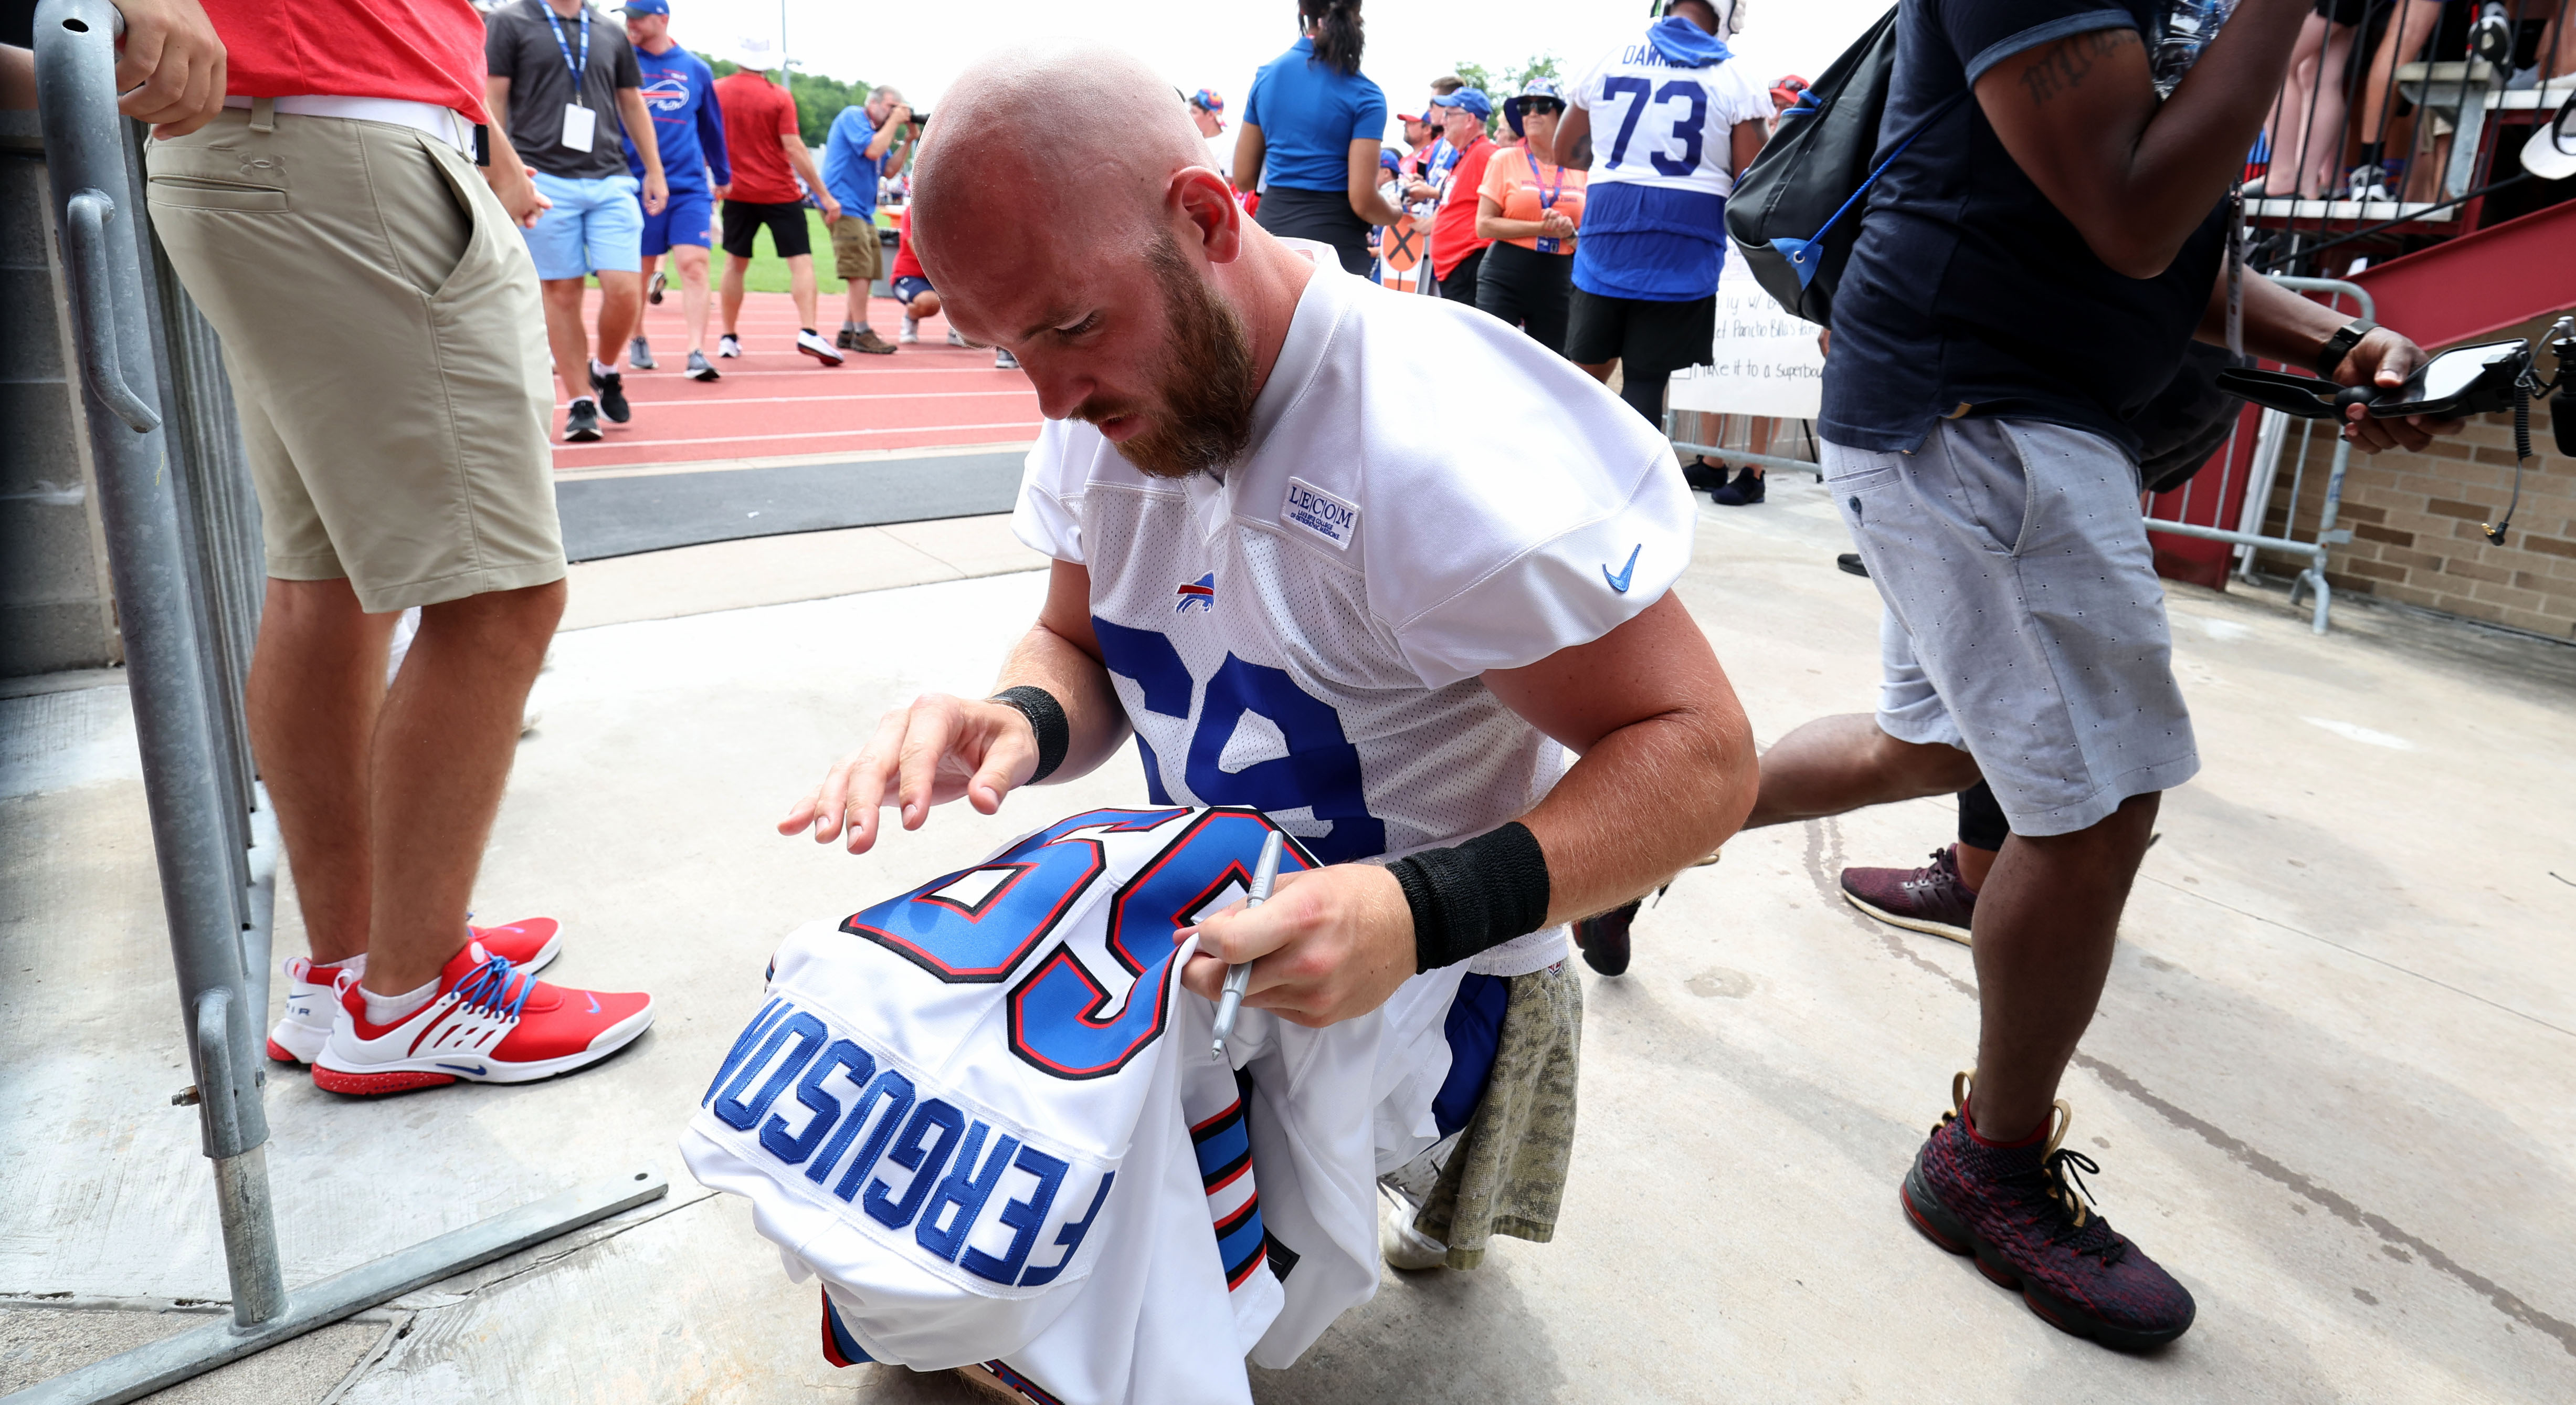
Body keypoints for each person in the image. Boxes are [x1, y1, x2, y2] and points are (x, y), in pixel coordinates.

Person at [780, 37, 1757, 1316]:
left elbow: (1703, 754)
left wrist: (1417, 911)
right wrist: (1014, 715)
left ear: (1205, 217)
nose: (1054, 397)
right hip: (1213, 911)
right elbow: (1081, 642)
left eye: (1071, 325)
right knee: (908, 1137)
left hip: (1429, 966)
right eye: (1005, 347)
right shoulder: (1106, 399)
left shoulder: (1429, 437)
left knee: (1086, 1290)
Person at [1751, 0, 2467, 1349]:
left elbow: (2158, 246)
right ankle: (1987, 1166)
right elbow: (2130, 216)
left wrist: (2332, 340)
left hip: (1969, 416)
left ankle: (1637, 835)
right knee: (2090, 813)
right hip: (1980, 421)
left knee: (1936, 752)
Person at [133, 0, 653, 1091]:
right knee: (502, 597)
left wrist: (479, 130)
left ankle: (358, 969)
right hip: (340, 144)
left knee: (326, 583)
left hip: (291, 137)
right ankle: (419, 998)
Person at [485, 0, 668, 443]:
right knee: (562, 291)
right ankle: (580, 401)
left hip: (610, 177)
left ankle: (604, 369)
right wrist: (501, 171)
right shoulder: (510, 22)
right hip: (544, 177)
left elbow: (631, 103)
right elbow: (493, 98)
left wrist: (655, 170)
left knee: (625, 289)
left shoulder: (608, 29)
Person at [1236, 0, 1403, 274]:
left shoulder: (1266, 76)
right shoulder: (1366, 94)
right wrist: (1394, 211)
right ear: (1356, 13)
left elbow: (1243, 179)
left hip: (1273, 241)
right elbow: (1363, 202)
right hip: (1335, 250)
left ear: (1303, 10)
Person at [713, 46, 845, 365]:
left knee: (735, 262)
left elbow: (707, 136)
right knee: (801, 262)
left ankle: (728, 337)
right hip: (779, 192)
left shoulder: (717, 91)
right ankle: (808, 331)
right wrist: (823, 196)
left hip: (736, 191)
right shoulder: (779, 96)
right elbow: (795, 148)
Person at [618, 0, 727, 382]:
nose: (630, 23)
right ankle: (637, 336)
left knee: (694, 265)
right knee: (641, 270)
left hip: (689, 187)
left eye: (637, 17)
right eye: (626, 17)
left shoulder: (695, 69)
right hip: (635, 183)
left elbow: (712, 127)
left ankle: (696, 351)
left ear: (662, 19)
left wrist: (724, 173)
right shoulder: (621, 60)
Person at [1474, 79, 1585, 353]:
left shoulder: (1581, 168)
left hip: (1559, 276)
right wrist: (1541, 228)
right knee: (1494, 362)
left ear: (1561, 115)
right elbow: (1484, 226)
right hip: (1505, 273)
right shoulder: (1503, 159)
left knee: (1551, 371)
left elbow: (1589, 243)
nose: (1532, 113)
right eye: (1525, 107)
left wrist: (1568, 233)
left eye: (1543, 106)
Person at [821, 85, 915, 354]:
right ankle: (862, 332)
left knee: (867, 268)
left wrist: (908, 140)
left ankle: (848, 330)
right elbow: (873, 152)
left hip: (861, 208)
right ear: (872, 104)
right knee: (859, 268)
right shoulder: (853, 117)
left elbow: (888, 170)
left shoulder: (875, 132)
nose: (894, 112)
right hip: (841, 203)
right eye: (890, 106)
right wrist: (895, 122)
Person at [1403, 88, 1495, 303]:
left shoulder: (1487, 154)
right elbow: (1458, 204)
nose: (1442, 121)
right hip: (1456, 268)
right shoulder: (1467, 155)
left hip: (1469, 266)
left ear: (1470, 119)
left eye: (1449, 114)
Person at [1188, 86, 1234, 178]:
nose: (1189, 115)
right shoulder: (1192, 138)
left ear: (1210, 115)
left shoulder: (1229, 145)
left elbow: (1226, 182)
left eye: (1194, 112)